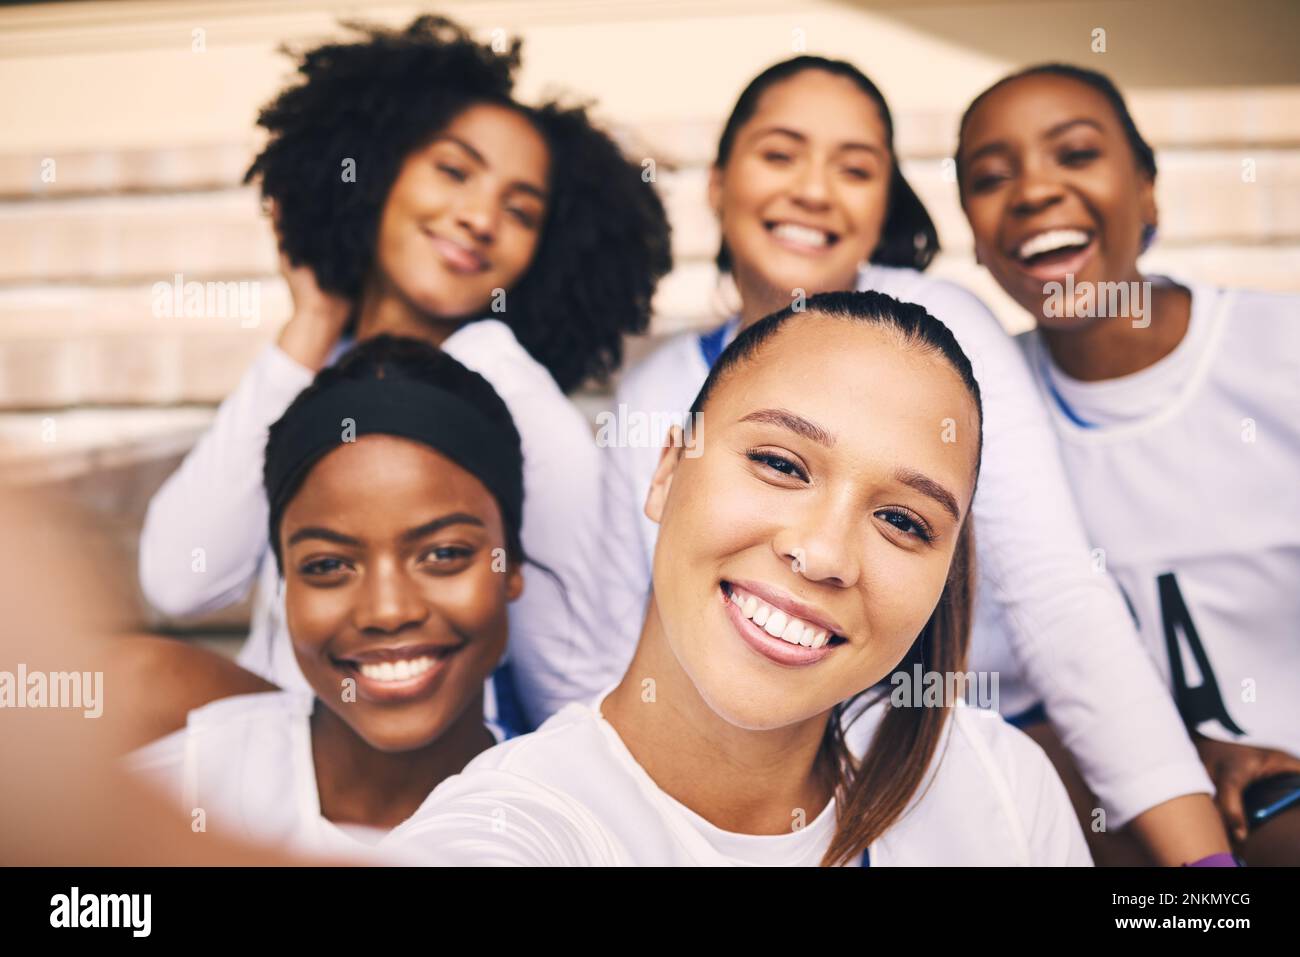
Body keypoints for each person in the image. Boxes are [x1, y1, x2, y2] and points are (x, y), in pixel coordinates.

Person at [599, 54, 1230, 864]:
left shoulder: (945, 336)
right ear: (719, 184)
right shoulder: (653, 393)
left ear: (881, 205)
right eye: (780, 153)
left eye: (855, 168)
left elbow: (1057, 593)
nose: (815, 189)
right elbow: (618, 649)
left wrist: (1206, 874)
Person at [386, 292, 1091, 866]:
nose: (821, 553)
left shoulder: (1002, 786)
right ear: (666, 471)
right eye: (781, 464)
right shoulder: (513, 831)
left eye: (904, 521)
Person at [137, 15, 672, 729]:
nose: (480, 217)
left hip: (414, 786)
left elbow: (584, 678)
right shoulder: (319, 365)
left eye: (520, 211)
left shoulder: (503, 381)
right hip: (289, 767)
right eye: (452, 171)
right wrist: (312, 323)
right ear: (377, 171)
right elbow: (179, 580)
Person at [956, 62, 1300, 864]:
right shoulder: (978, 411)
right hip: (1139, 816)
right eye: (991, 176)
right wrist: (1184, 750)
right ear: (972, 234)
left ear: (1147, 190)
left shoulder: (1278, 350)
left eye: (1075, 154)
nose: (1035, 191)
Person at [128, 337, 531, 855]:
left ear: (511, 566)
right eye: (327, 565)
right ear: (284, 585)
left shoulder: (570, 827)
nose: (387, 611)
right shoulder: (173, 798)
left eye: (444, 554)